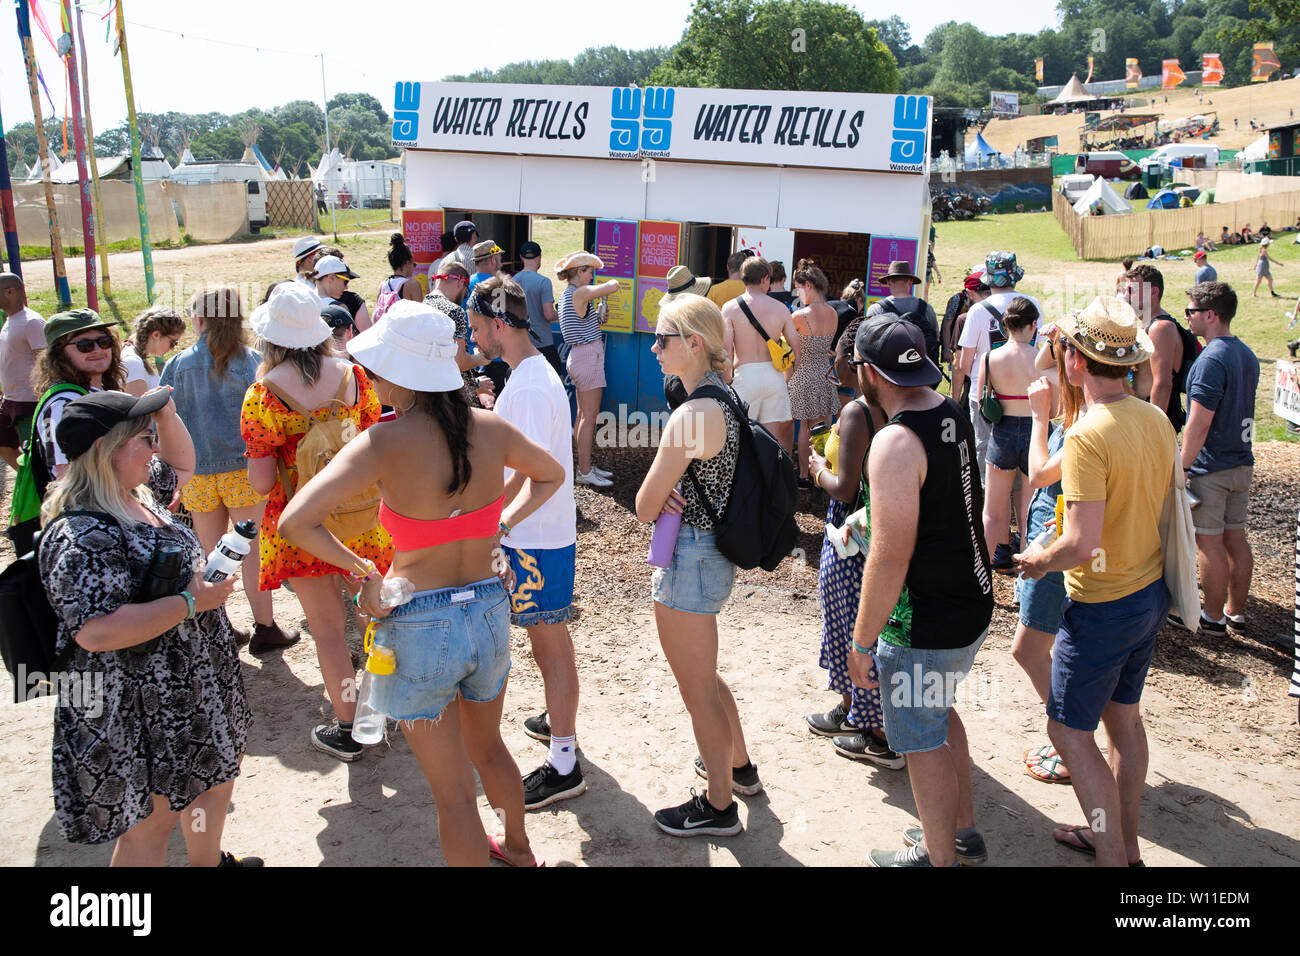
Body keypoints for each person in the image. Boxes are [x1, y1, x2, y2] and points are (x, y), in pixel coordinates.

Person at [278, 299, 563, 867]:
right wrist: (500, 525)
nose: (372, 378)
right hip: (486, 608)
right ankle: (520, 848)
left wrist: (364, 574)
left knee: (453, 795)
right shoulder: (489, 426)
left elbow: (295, 522)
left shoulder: (382, 442)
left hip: (416, 620)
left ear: (399, 376)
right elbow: (550, 474)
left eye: (379, 369)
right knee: (490, 748)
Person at [39, 389, 258, 866]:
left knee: (214, 783)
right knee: (150, 826)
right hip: (137, 704)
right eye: (144, 438)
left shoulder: (134, 492)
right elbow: (95, 632)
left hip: (190, 684)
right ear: (104, 450)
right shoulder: (84, 532)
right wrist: (188, 602)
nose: (155, 447)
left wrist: (166, 413)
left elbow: (183, 463)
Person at [1014, 295, 1175, 868]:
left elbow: (1081, 543)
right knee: (1124, 723)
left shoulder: (1086, 436)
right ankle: (1122, 845)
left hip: (1103, 605)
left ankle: (1111, 853)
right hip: (1147, 593)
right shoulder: (1155, 417)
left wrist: (1037, 562)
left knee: (1069, 736)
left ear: (1078, 363)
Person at [845, 317, 993, 867]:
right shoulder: (949, 410)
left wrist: (861, 643)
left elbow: (889, 557)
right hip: (970, 602)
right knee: (940, 713)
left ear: (868, 372)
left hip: (925, 621)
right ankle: (961, 834)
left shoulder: (893, 441)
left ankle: (940, 861)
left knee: (920, 741)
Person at [240, 281, 394, 761]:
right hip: (363, 517)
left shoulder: (263, 394)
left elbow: (262, 483)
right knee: (381, 616)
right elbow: (376, 445)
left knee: (327, 632)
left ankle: (348, 728)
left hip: (300, 526)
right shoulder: (354, 377)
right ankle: (388, 710)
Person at [637, 294, 761, 837]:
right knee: (705, 678)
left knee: (698, 691)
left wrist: (661, 493)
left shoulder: (691, 414)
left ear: (693, 344)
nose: (654, 348)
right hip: (709, 554)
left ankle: (718, 807)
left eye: (662, 339)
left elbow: (644, 505)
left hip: (690, 556)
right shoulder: (722, 396)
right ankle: (738, 768)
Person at [466, 277, 585, 810]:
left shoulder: (532, 385)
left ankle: (564, 761)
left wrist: (501, 525)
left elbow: (544, 474)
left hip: (536, 538)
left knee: (549, 645)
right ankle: (557, 723)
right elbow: (520, 467)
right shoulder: (527, 376)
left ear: (498, 324)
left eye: (474, 328)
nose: (473, 340)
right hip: (532, 534)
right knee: (547, 644)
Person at [160, 285, 300, 654]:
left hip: (197, 473)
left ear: (199, 318)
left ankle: (219, 627)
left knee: (211, 553)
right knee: (253, 552)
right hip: (245, 470)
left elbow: (164, 418)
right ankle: (265, 626)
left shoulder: (176, 364)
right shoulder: (254, 361)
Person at [804, 316, 902, 769]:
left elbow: (844, 487)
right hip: (879, 528)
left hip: (851, 531)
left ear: (859, 363)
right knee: (860, 626)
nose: (835, 365)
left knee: (849, 625)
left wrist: (816, 468)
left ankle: (880, 735)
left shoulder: (857, 412)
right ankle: (852, 710)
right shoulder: (899, 407)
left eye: (841, 357)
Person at [1015, 330, 1087, 785]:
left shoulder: (1079, 424)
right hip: (1053, 538)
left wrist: (1039, 418)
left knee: (1027, 650)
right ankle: (1071, 736)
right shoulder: (1085, 409)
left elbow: (1039, 473)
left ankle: (1069, 740)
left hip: (1057, 547)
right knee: (1054, 648)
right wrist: (1058, 333)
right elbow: (1041, 361)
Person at [1179, 281, 1260, 637]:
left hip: (1212, 467)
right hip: (1242, 462)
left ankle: (1211, 618)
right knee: (1235, 538)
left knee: (1208, 541)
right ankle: (1235, 611)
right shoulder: (1246, 353)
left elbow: (1198, 422)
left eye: (1192, 312)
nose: (1188, 318)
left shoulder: (1211, 359)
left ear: (1210, 315)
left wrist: (1182, 466)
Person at [955, 251, 1044, 481]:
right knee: (1025, 470)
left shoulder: (977, 311)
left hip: (986, 395)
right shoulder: (1032, 305)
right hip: (1026, 394)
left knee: (987, 464)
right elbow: (1042, 352)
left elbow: (964, 363)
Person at [32, 309, 127, 484]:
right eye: (85, 345)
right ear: (60, 354)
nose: (98, 349)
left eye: (104, 341)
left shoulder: (101, 391)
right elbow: (65, 477)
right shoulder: (62, 405)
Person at [983, 297, 1041, 573]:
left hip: (1002, 430)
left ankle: (994, 558)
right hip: (1035, 429)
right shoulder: (1042, 359)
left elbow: (983, 397)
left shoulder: (991, 357)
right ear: (1033, 325)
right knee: (1031, 507)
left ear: (1006, 325)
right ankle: (1027, 559)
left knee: (994, 507)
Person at [722, 258, 803, 456]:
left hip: (744, 376)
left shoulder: (730, 308)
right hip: (774, 377)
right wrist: (790, 377)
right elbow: (796, 345)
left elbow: (725, 350)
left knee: (739, 442)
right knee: (769, 444)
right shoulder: (780, 309)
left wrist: (727, 380)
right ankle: (767, 485)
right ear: (766, 278)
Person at [556, 251, 619, 487]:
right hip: (587, 357)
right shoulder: (580, 292)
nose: (592, 275)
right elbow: (612, 286)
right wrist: (610, 276)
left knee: (583, 417)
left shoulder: (568, 295)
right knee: (588, 419)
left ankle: (584, 467)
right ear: (579, 271)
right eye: (590, 270)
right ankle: (584, 471)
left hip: (580, 356)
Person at [1123, 263, 1196, 434]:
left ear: (1153, 292)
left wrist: (1152, 432)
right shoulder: (1147, 325)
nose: (1126, 296)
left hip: (1155, 421)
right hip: (1142, 415)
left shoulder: (1160, 328)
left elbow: (1163, 384)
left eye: (1132, 290)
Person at [785, 258, 838, 485]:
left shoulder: (799, 316)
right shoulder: (833, 313)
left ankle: (804, 475)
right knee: (822, 430)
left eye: (798, 288)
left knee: (804, 429)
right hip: (825, 376)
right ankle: (822, 476)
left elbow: (786, 349)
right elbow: (826, 348)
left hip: (802, 376)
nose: (798, 293)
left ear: (808, 285)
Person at [425, 263, 492, 409]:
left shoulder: (422, 306)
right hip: (455, 401)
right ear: (460, 282)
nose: (464, 297)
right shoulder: (454, 311)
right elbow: (459, 361)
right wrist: (482, 358)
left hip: (430, 396)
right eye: (465, 291)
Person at [0, 272, 45, 469]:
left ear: (10, 292)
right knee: (3, 445)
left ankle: (39, 491)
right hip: (10, 398)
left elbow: (45, 361)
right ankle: (27, 485)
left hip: (29, 401)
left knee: (34, 452)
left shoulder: (32, 322)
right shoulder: (10, 320)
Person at [865, 260, 940, 365]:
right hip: (920, 366)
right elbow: (935, 336)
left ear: (888, 282)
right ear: (910, 281)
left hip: (887, 369)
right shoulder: (927, 308)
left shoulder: (876, 309)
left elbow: (868, 343)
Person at [512, 240, 563, 379]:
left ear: (521, 257)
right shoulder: (543, 282)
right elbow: (548, 314)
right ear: (540, 257)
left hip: (520, 344)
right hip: (543, 343)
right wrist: (563, 314)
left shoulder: (512, 281)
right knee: (556, 383)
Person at [944, 272, 991, 408]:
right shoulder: (1010, 311)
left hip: (978, 386)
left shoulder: (965, 319)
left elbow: (959, 365)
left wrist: (955, 400)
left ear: (970, 293)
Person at [121, 305, 185, 398]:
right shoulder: (133, 363)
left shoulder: (137, 355)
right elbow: (137, 409)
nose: (172, 348)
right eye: (173, 342)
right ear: (156, 335)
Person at [314, 254, 372, 334]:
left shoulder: (305, 302)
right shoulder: (339, 308)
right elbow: (350, 338)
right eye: (345, 281)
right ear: (331, 277)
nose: (346, 287)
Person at [374, 233, 424, 319]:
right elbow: (420, 316)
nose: (414, 267)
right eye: (414, 264)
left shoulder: (383, 285)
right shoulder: (412, 285)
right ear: (407, 263)